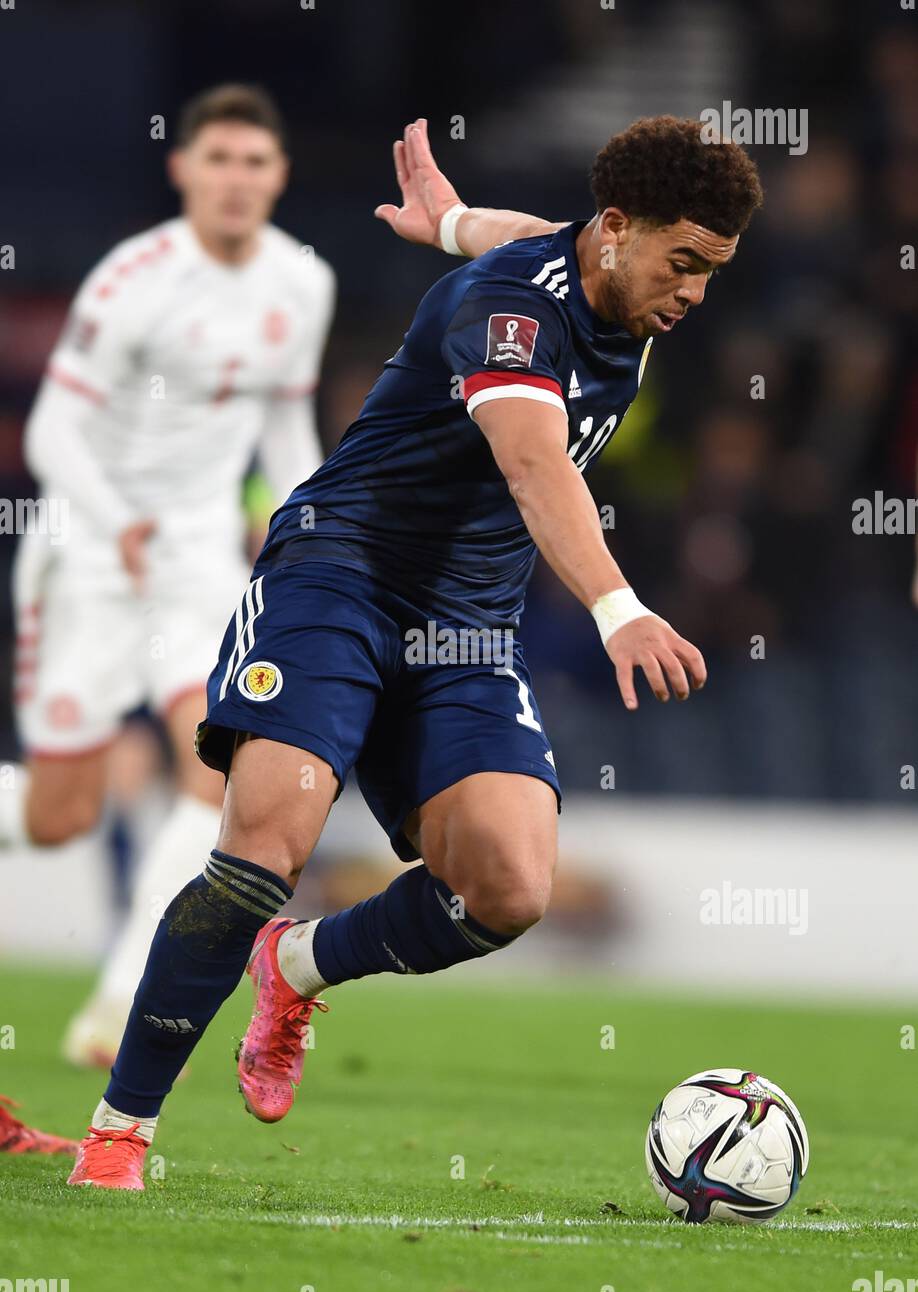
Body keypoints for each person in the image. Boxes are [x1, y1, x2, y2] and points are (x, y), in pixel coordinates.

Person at [66, 115, 762, 1190]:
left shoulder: (605, 271)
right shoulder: (505, 311)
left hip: (467, 629)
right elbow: (535, 466)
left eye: (715, 271)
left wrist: (450, 221)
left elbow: (532, 230)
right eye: (687, 263)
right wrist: (618, 607)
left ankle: (296, 967)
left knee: (510, 886)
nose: (697, 294)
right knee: (265, 848)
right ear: (619, 231)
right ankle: (120, 1131)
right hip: (337, 581)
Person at [0, 85, 335, 1154]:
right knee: (60, 813)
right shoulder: (135, 277)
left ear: (278, 177)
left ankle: (112, 1009)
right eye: (219, 159)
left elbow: (285, 425)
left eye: (256, 161)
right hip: (90, 557)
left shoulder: (303, 280)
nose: (237, 178)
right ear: (183, 169)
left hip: (196, 559)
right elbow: (53, 430)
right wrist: (115, 519)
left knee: (219, 769)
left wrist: (313, 532)